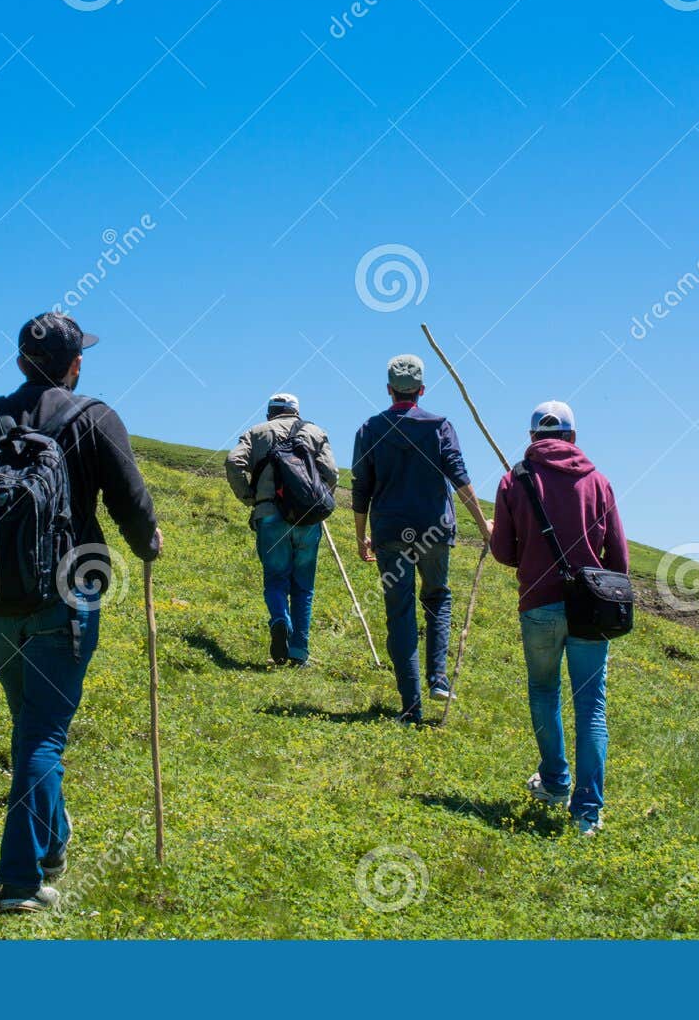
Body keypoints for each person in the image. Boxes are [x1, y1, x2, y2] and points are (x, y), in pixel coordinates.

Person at [0, 313, 163, 911]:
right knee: (43, 736)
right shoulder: (95, 417)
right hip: (66, 599)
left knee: (31, 727)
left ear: (22, 361)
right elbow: (130, 500)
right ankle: (21, 882)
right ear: (75, 364)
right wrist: (147, 541)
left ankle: (51, 843)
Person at [490, 401, 627, 837]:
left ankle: (553, 781)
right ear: (573, 437)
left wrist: (530, 555)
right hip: (591, 609)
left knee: (544, 690)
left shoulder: (514, 480)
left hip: (538, 605)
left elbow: (503, 552)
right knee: (591, 707)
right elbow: (619, 560)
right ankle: (587, 811)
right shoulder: (598, 482)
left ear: (532, 438)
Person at [351, 355, 493, 724]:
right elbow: (460, 478)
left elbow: (361, 487)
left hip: (390, 532)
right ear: (422, 390)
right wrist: (484, 526)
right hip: (434, 529)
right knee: (437, 597)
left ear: (389, 390)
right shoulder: (440, 426)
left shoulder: (370, 429)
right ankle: (438, 678)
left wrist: (361, 536)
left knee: (400, 613)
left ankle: (410, 706)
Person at [225, 393, 338, 666]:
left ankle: (280, 620)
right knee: (303, 587)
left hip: (269, 516)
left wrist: (249, 497)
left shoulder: (256, 432)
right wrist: (316, 500)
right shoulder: (315, 433)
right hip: (307, 519)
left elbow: (232, 462)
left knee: (276, 579)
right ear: (296, 412)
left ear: (270, 413)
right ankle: (299, 652)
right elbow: (332, 473)